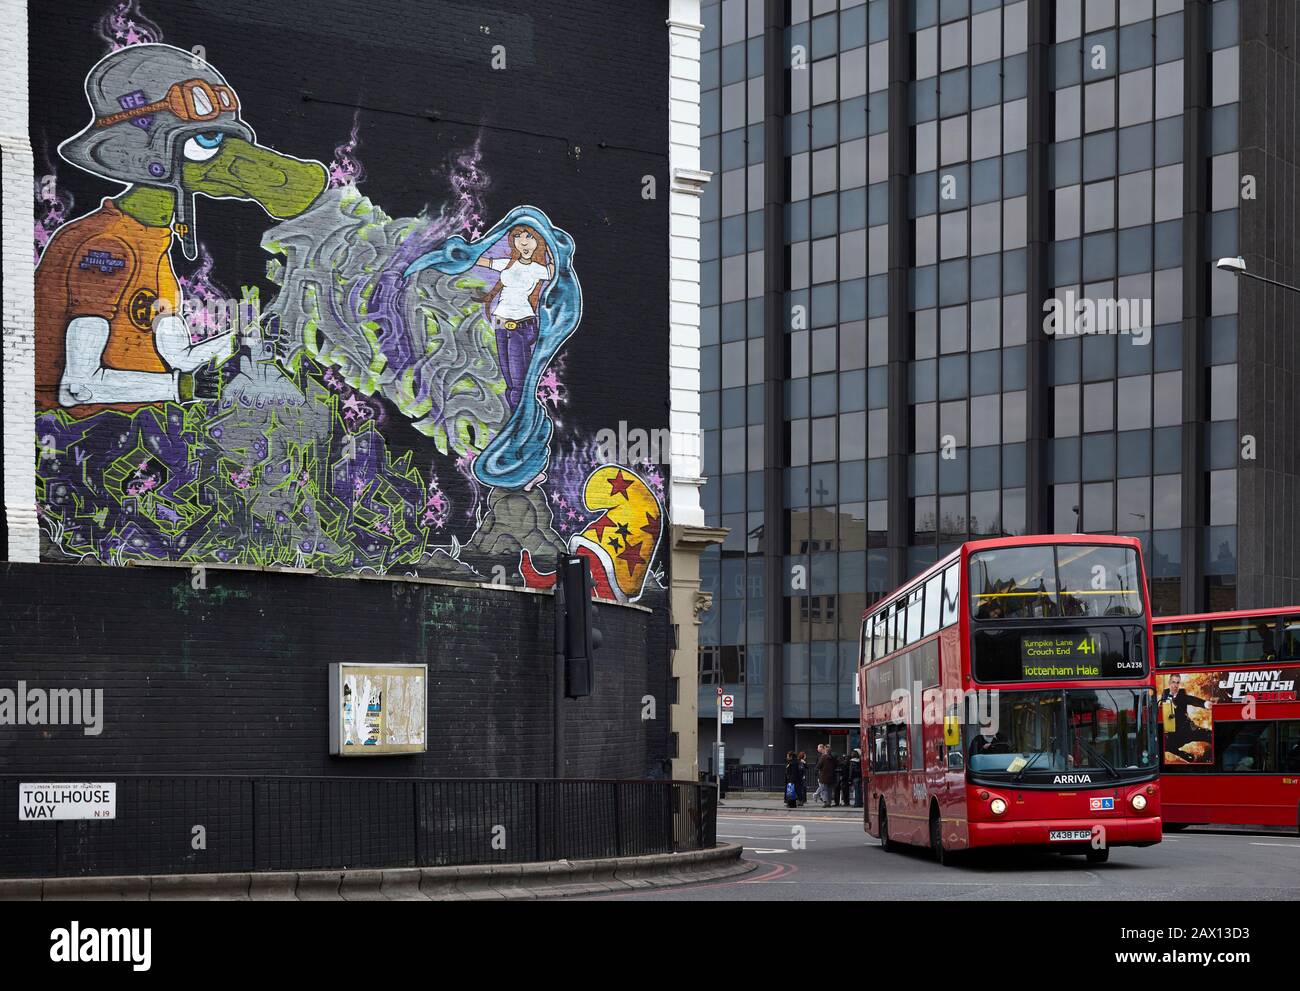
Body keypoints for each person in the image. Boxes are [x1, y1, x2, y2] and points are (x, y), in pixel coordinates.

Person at [471, 224, 553, 412]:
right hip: (500, 326)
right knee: (510, 382)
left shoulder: (537, 268)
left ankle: (520, 424)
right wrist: (465, 253)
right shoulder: (508, 263)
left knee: (518, 384)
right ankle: (516, 421)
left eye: (529, 237)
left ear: (538, 241)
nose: (523, 242)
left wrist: (551, 247)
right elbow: (481, 261)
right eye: (518, 237)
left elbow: (554, 271)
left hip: (521, 326)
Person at [1160, 673, 1214, 763]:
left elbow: (1191, 700)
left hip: (1187, 730)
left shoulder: (1182, 694)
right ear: (1169, 682)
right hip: (1173, 735)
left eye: (1177, 683)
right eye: (1173, 682)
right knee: (1163, 744)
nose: (1175, 685)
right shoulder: (1165, 694)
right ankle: (1185, 756)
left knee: (1210, 735)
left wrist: (1204, 704)